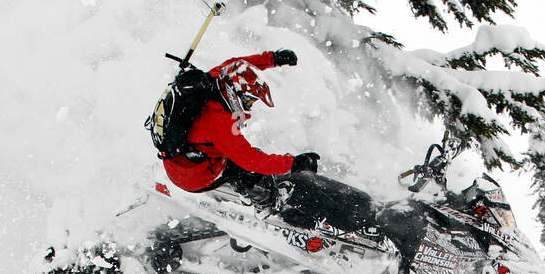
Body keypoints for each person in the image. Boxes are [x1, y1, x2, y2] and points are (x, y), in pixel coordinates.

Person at [160, 50, 382, 242]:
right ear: (233, 94)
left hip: (189, 157)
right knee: (247, 173)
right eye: (247, 101)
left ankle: (270, 190)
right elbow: (251, 160)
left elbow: (241, 63)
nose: (249, 107)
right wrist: (293, 163)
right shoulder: (219, 121)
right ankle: (272, 209)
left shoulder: (217, 78)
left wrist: (273, 58)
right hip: (194, 175)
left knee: (254, 163)